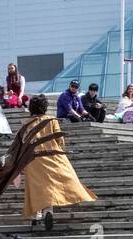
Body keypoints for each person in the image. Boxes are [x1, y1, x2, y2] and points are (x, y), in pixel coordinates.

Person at [17, 94, 96, 230]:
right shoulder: (51, 120)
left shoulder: (27, 123)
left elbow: (21, 143)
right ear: (45, 107)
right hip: (52, 156)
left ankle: (37, 215)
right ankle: (48, 211)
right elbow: (60, 140)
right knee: (51, 185)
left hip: (32, 160)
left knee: (36, 187)